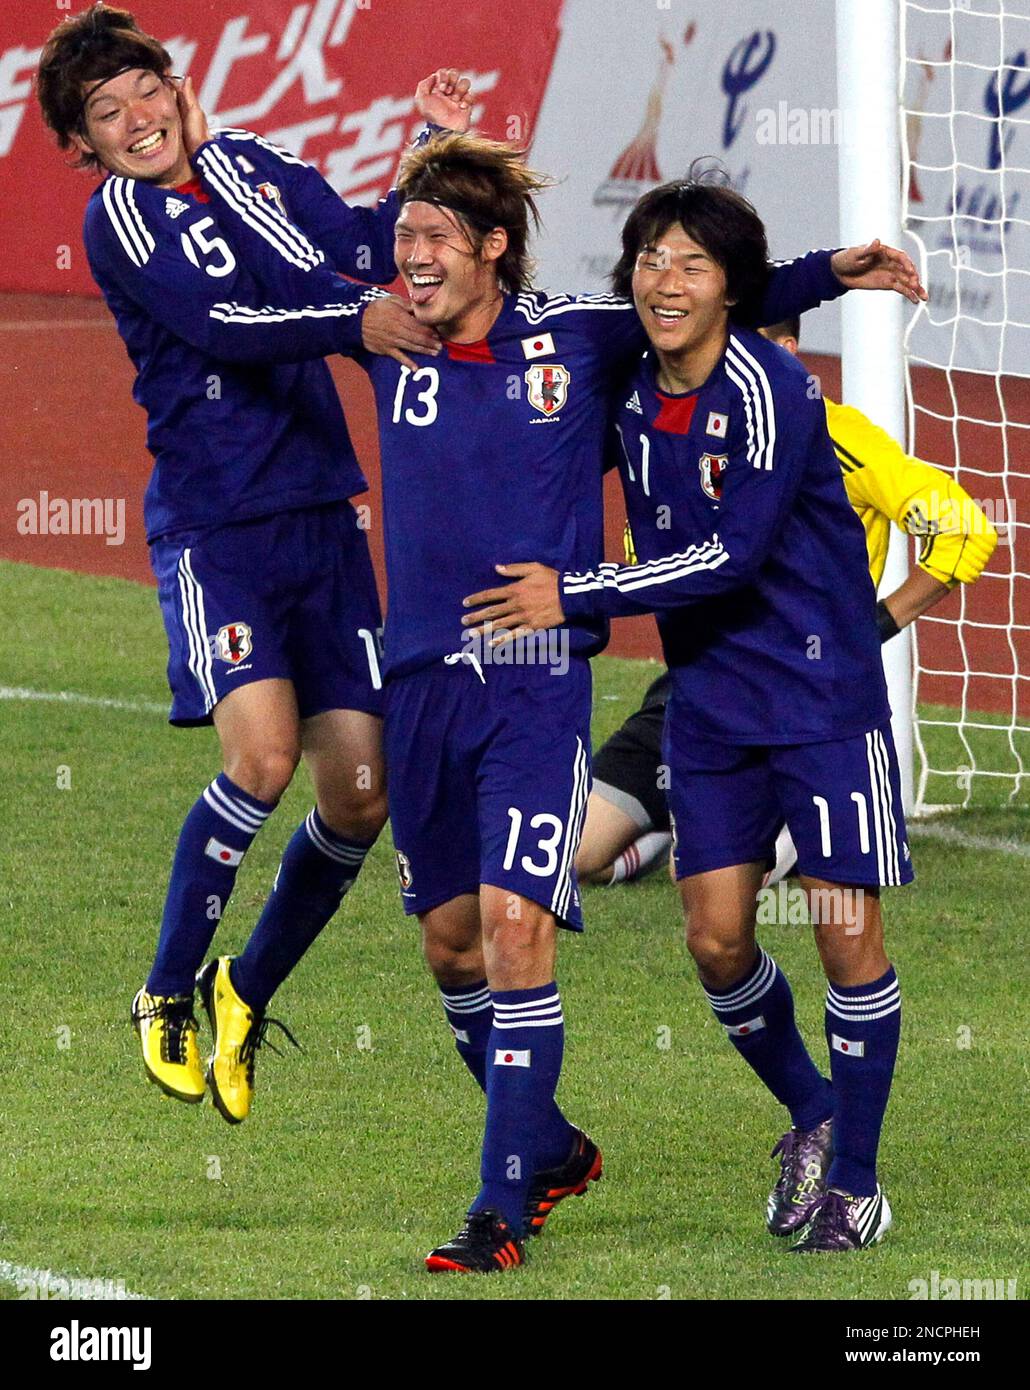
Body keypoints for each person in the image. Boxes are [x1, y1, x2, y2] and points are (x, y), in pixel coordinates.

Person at [190, 116, 924, 1267]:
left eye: (433, 237)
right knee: (453, 947)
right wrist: (193, 187)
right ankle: (550, 1144)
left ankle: (500, 1206)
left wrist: (829, 272)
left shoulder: (582, 344)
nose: (411, 259)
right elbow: (265, 292)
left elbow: (701, 294)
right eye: (401, 240)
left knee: (517, 924)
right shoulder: (387, 335)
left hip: (541, 684)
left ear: (493, 246)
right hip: (423, 682)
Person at [463, 173, 919, 1253]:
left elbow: (729, 556)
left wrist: (571, 590)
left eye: (692, 266)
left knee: (844, 930)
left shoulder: (774, 391)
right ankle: (811, 1114)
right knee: (716, 942)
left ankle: (853, 1182)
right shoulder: (628, 376)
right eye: (650, 260)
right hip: (708, 702)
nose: (665, 283)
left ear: (730, 290)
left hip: (820, 695)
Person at [35, 4, 469, 1123]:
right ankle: (165, 987)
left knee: (361, 796)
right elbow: (227, 319)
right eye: (106, 113)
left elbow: (362, 248)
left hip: (321, 516)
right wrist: (352, 323)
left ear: (179, 89)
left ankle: (244, 986)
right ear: (83, 146)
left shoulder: (257, 163)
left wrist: (429, 162)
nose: (137, 121)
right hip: (217, 529)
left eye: (146, 92)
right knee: (265, 761)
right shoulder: (120, 219)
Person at [577, 315, 998, 889]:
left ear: (787, 352)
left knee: (722, 885)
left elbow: (964, 529)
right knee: (576, 855)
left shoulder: (838, 434)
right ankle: (676, 828)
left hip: (802, 698)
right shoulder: (671, 431)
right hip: (695, 689)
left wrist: (875, 624)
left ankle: (766, 833)